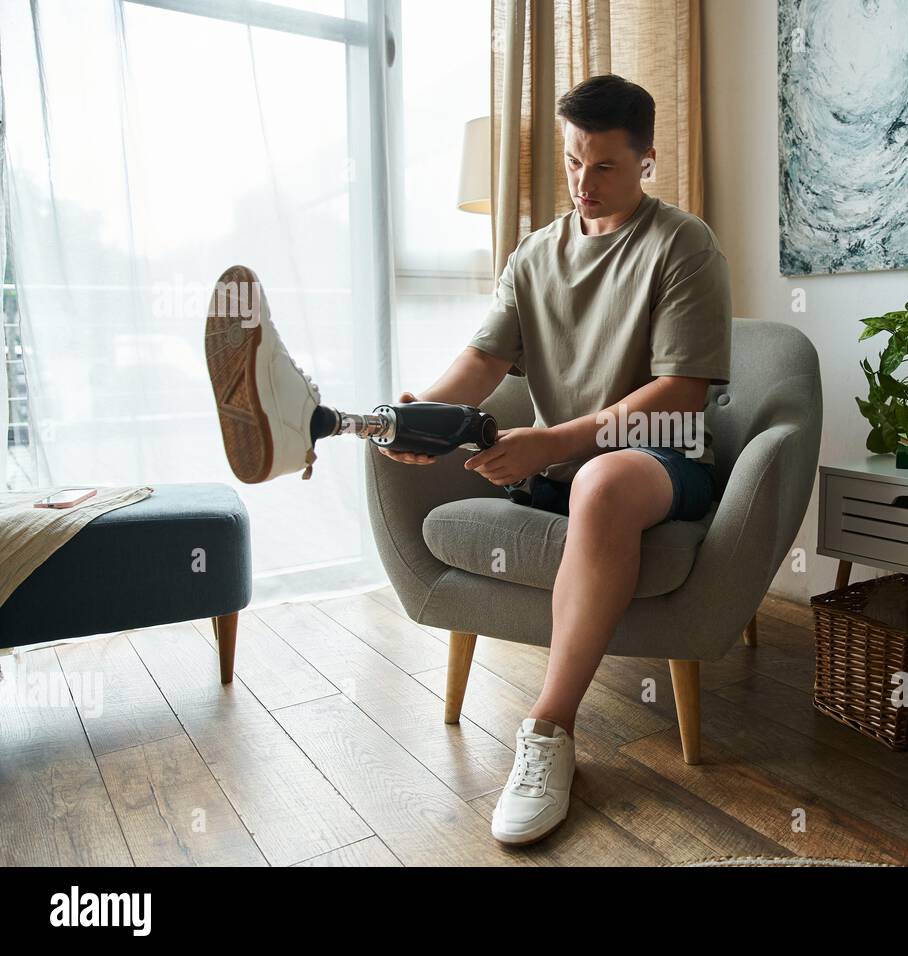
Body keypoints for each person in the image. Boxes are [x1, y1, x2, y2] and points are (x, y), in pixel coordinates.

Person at [204, 73, 732, 846]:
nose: (583, 183)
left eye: (606, 166)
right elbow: (482, 364)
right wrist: (412, 419)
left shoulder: (683, 245)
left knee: (606, 478)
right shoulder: (533, 255)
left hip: (659, 461)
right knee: (448, 434)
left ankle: (548, 732)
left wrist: (551, 443)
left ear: (648, 160)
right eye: (572, 161)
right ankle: (314, 419)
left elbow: (682, 394)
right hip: (556, 472)